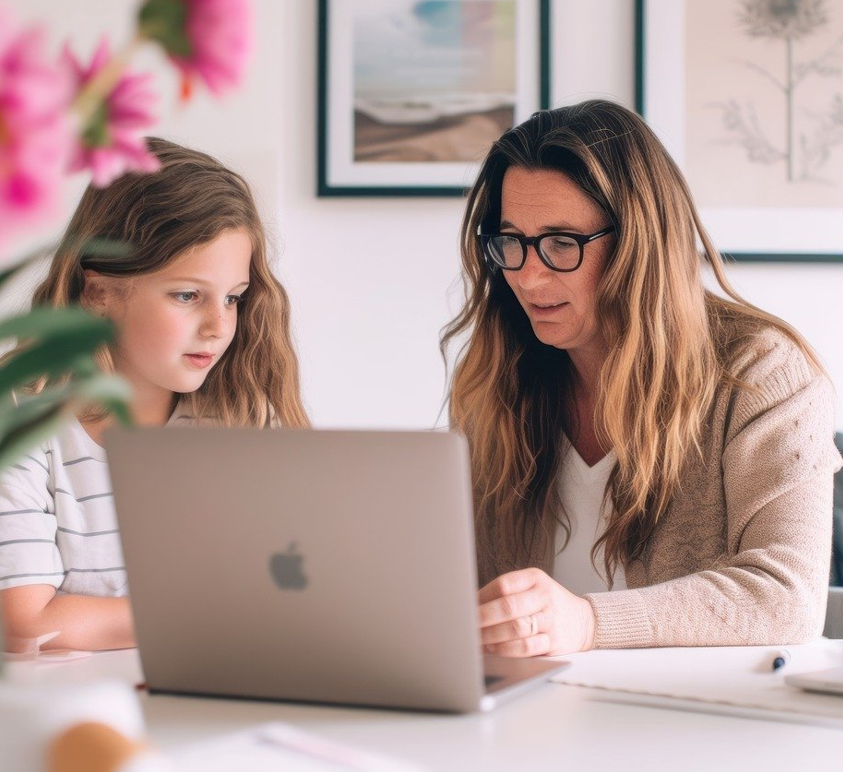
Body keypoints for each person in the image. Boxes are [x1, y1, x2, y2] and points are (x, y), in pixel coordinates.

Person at [441, 100, 842, 656]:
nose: (529, 276)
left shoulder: (764, 375)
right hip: (533, 718)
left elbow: (786, 597)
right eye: (512, 242)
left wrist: (584, 623)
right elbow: (467, 591)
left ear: (638, 246)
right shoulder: (495, 380)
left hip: (698, 725)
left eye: (561, 243)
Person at [0, 138, 309, 652]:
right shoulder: (21, 415)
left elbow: (288, 591)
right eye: (187, 295)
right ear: (99, 292)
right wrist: (217, 613)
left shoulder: (238, 415)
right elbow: (28, 625)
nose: (218, 325)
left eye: (233, 298)